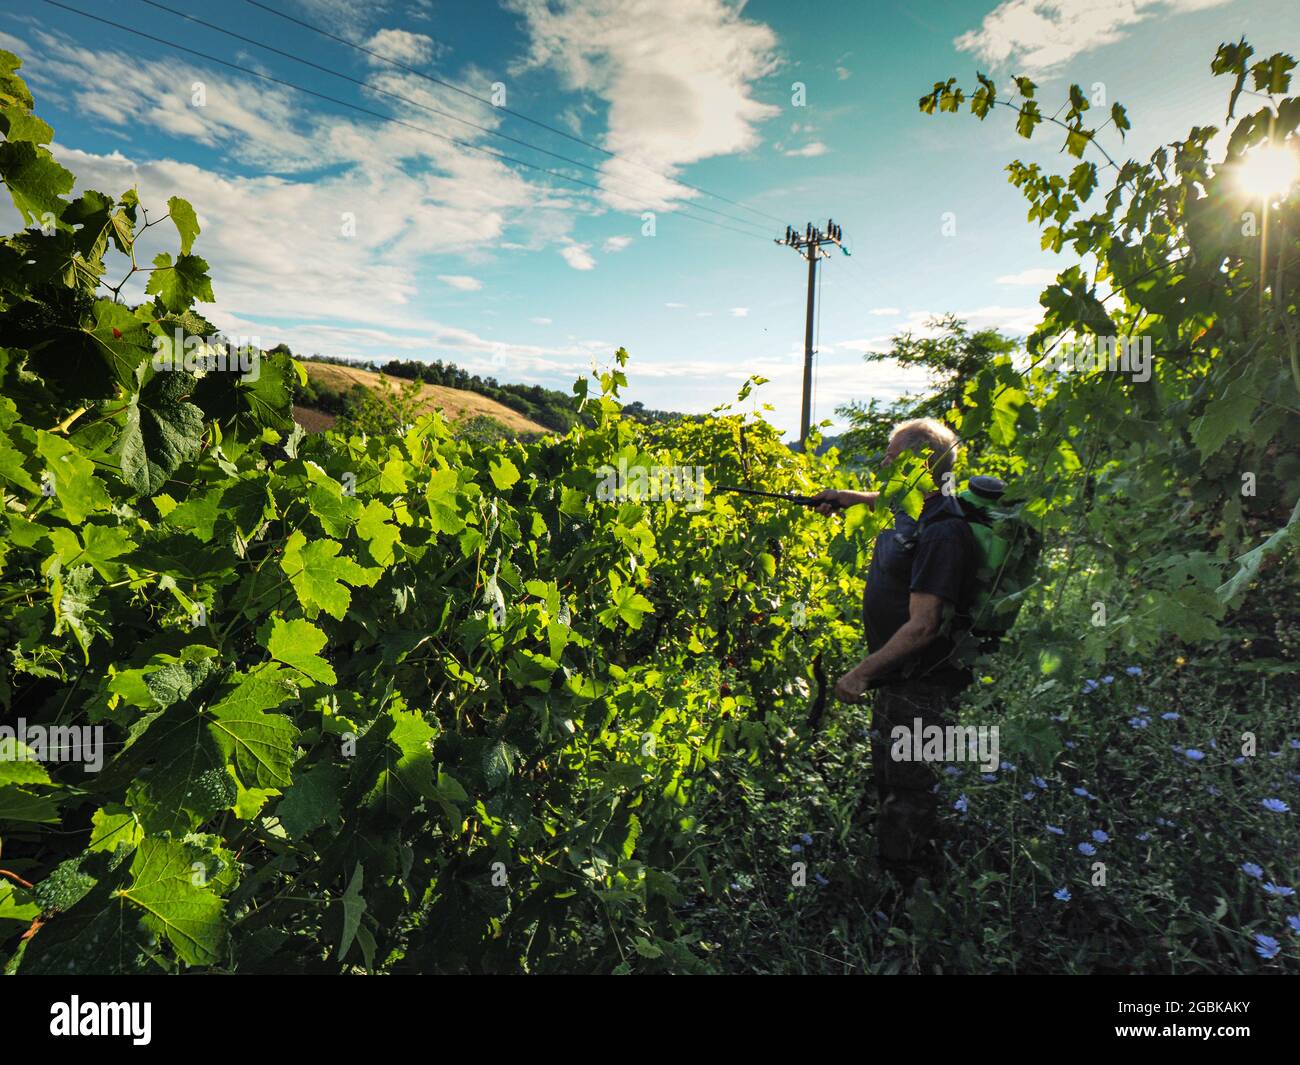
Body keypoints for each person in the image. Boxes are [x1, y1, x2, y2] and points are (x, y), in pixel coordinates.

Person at [811, 418, 977, 891]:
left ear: (920, 466)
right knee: (890, 778)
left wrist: (860, 673)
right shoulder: (914, 508)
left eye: (891, 456)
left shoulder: (943, 531)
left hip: (922, 686)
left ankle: (912, 898)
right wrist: (846, 498)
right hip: (898, 681)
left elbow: (924, 625)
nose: (883, 464)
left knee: (910, 791)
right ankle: (892, 879)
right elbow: (886, 501)